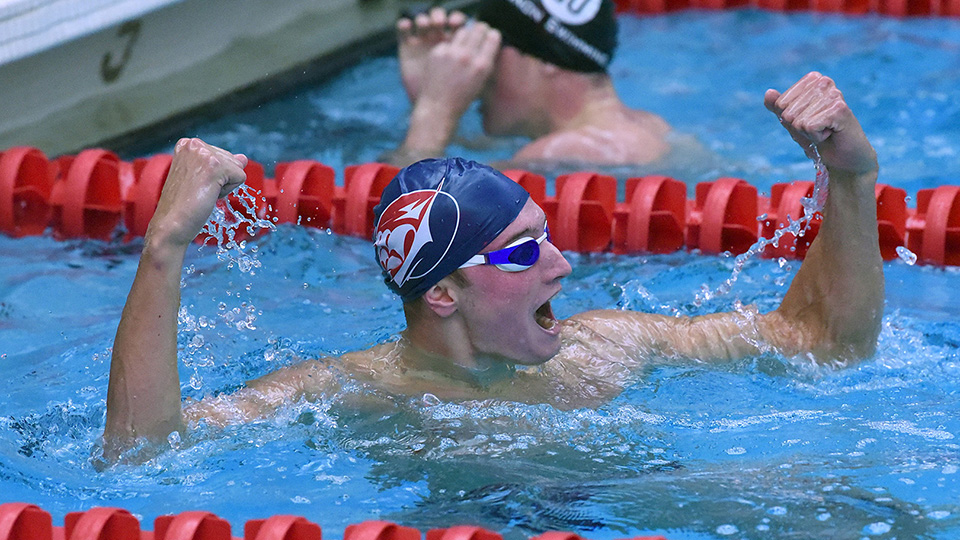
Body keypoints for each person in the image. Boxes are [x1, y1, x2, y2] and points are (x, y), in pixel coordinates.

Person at [103, 72, 884, 461]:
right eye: (521, 250)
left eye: (544, 234)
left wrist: (850, 178)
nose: (564, 264)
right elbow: (140, 458)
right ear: (440, 290)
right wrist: (164, 248)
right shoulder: (346, 393)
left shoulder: (610, 344)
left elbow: (823, 341)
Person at [386, 0, 674, 168]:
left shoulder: (563, 152)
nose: (478, 73)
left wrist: (436, 109)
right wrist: (427, 100)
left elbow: (410, 219)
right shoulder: (650, 125)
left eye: (489, 50)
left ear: (546, 59)